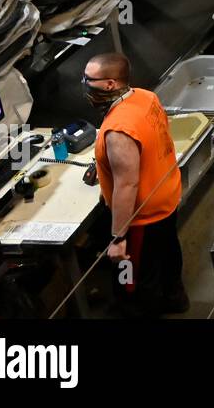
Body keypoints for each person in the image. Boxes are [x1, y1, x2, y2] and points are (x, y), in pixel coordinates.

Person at [84, 52, 187, 316]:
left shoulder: (118, 130)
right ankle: (175, 298)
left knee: (134, 279)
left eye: (89, 80)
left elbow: (127, 185)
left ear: (110, 84)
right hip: (167, 196)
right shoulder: (145, 97)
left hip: (142, 217)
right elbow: (152, 140)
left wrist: (118, 238)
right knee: (167, 254)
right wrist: (104, 163)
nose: (84, 84)